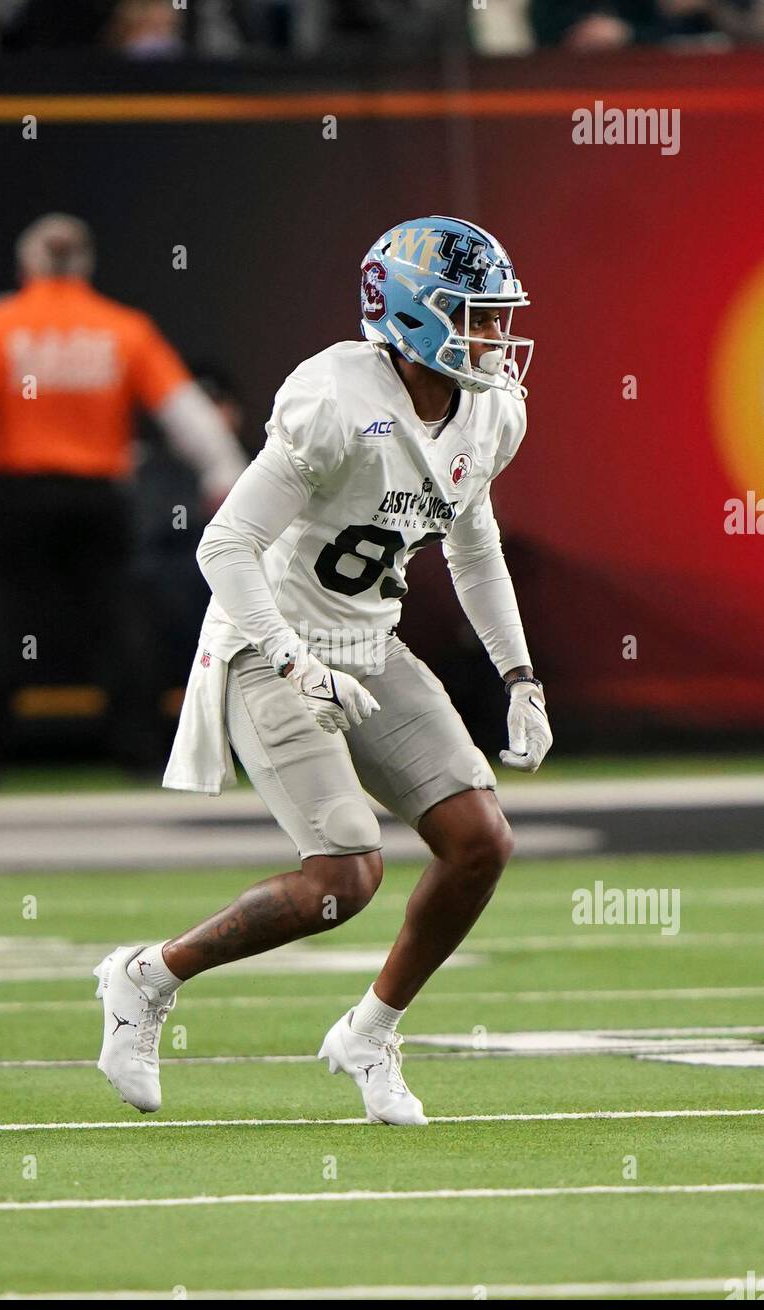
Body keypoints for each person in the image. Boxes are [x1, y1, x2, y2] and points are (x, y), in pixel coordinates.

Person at [93, 215, 553, 1126]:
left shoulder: (494, 410)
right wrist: (297, 665)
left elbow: (475, 546)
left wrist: (520, 676)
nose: (497, 338)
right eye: (477, 316)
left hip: (370, 645)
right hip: (269, 645)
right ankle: (147, 977)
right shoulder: (337, 395)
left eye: (500, 318)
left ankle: (371, 1033)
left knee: (481, 840)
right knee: (344, 877)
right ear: (416, 319)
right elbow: (225, 545)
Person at [0, 213, 246, 782]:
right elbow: (187, 414)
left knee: (1, 627)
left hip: (20, 500)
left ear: (27, 266)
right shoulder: (120, 328)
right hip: (97, 503)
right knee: (119, 626)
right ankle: (141, 757)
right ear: (86, 265)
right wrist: (224, 474)